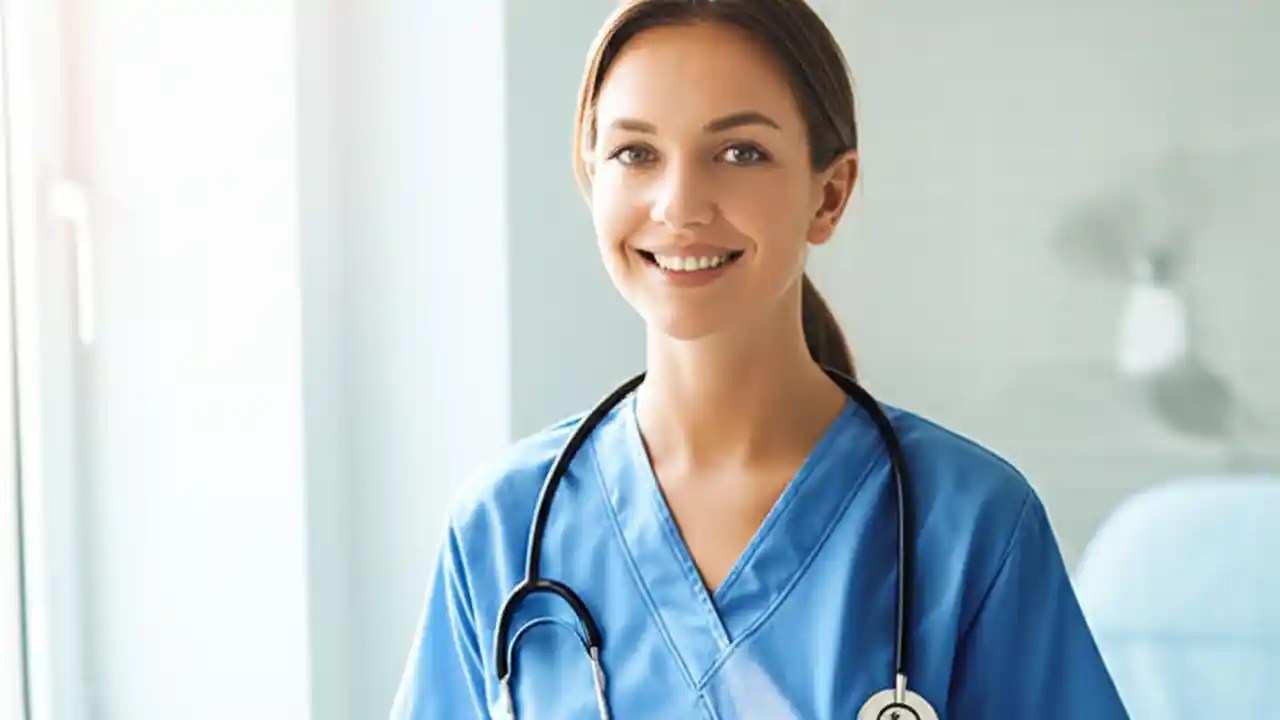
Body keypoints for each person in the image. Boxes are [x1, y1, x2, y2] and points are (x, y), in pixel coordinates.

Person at [391, 0, 1129, 717]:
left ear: (829, 196)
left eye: (739, 152)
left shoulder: (968, 524)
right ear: (593, 180)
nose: (680, 205)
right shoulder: (504, 529)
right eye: (634, 153)